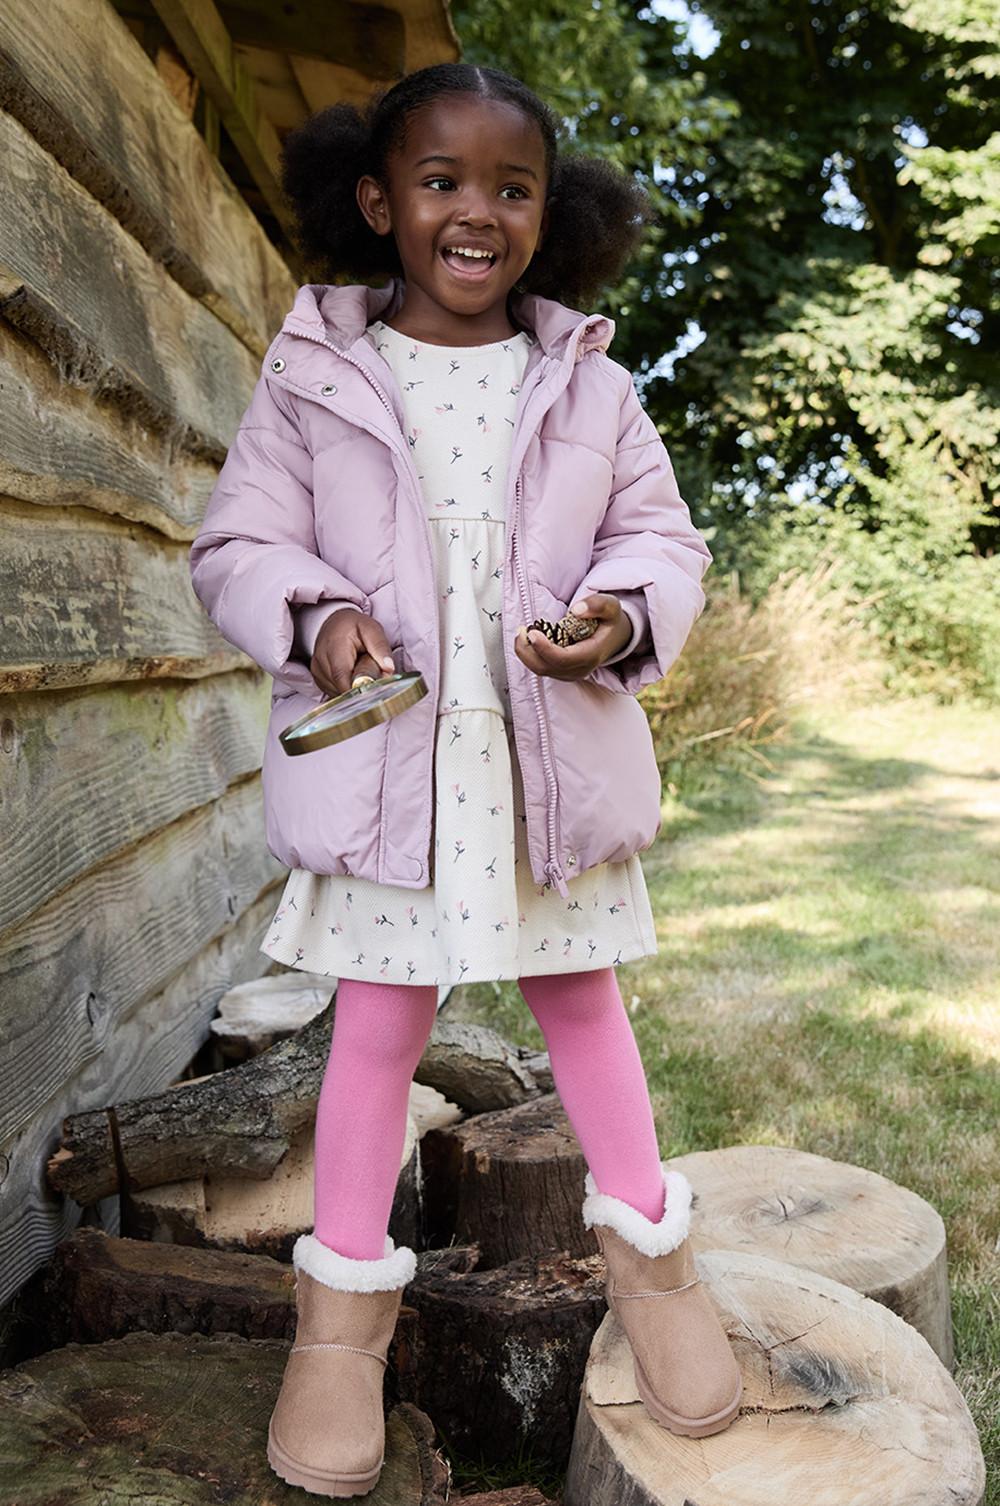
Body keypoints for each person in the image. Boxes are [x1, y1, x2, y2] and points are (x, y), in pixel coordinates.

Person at [189, 61, 742, 1498]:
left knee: (586, 1005)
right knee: (376, 1030)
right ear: (378, 201)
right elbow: (239, 542)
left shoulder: (594, 383)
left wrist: (620, 615)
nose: (476, 212)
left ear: (553, 217)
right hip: (396, 769)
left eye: (513, 188)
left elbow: (663, 539)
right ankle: (339, 1330)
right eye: (441, 181)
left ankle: (657, 1272)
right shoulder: (313, 376)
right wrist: (318, 615)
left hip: (542, 767)